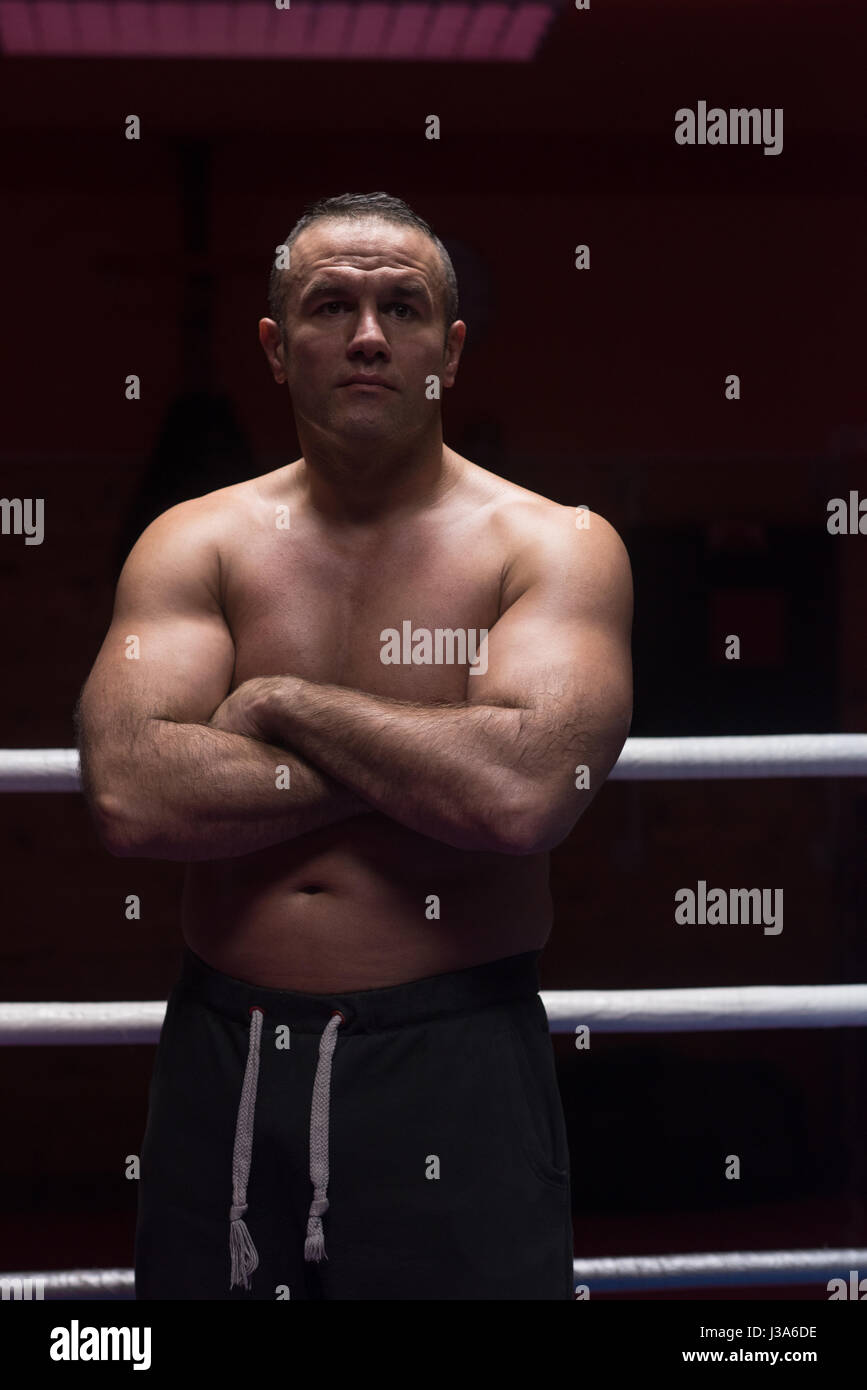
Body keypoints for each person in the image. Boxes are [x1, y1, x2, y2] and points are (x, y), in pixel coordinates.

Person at [75, 191, 633, 1300]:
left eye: (403, 307)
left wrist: (280, 700)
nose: (369, 335)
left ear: (451, 348)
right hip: (226, 1045)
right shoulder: (196, 542)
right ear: (279, 350)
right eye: (332, 305)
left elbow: (524, 794)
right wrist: (431, 761)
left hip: (454, 1051)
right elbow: (134, 795)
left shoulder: (552, 546)